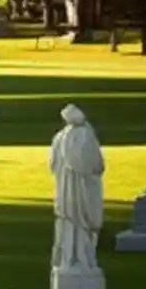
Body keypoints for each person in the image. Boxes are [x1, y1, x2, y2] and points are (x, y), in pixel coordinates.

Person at [49, 104, 105, 273]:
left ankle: (70, 257)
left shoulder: (60, 138)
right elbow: (96, 165)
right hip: (81, 190)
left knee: (70, 223)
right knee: (82, 224)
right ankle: (82, 257)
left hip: (66, 192)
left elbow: (53, 165)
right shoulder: (86, 135)